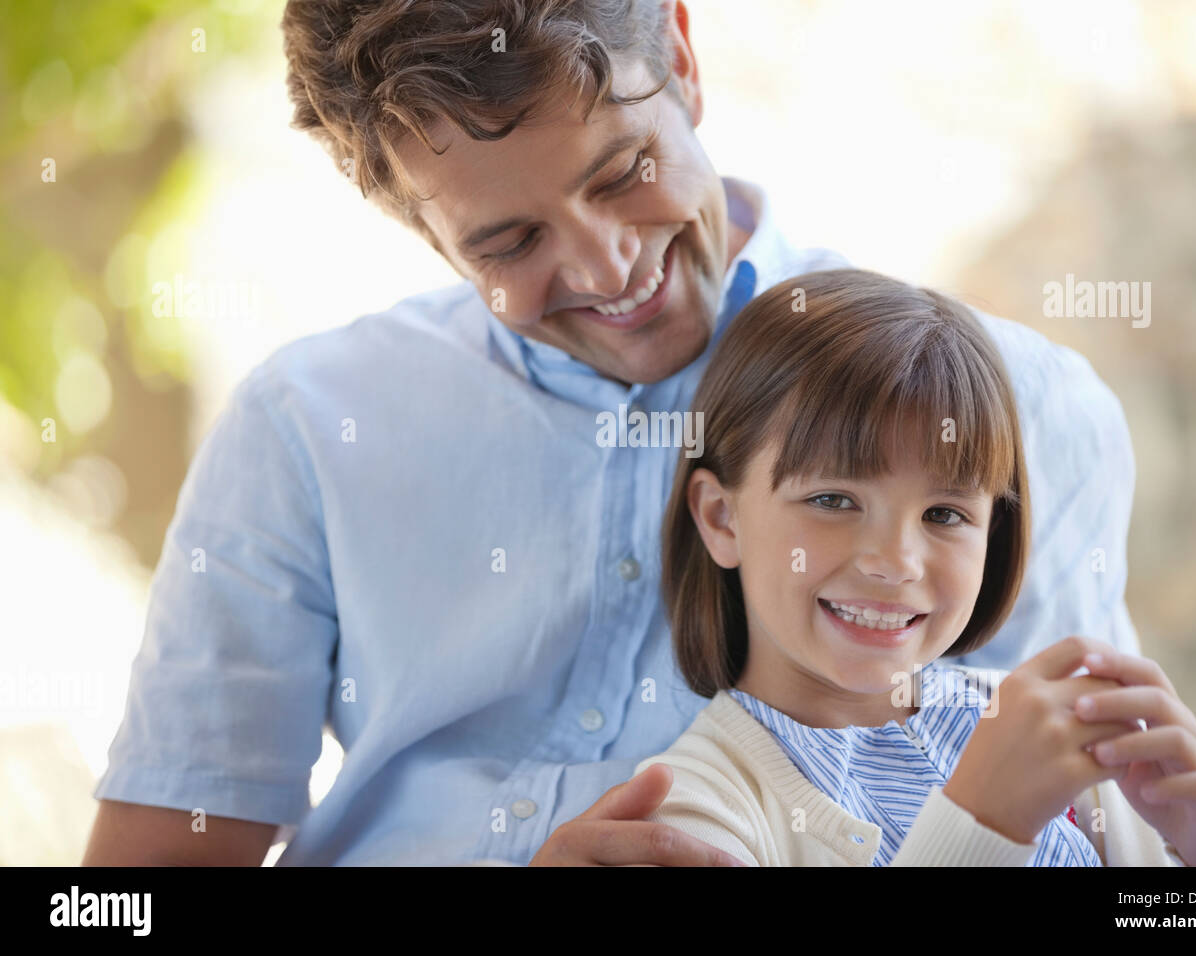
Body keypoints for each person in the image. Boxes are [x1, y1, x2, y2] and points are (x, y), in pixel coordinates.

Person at [83, 1, 1140, 866]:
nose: (604, 269)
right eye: (507, 238)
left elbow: (1089, 841)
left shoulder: (1012, 412)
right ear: (419, 225)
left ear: (678, 53)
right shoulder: (307, 426)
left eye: (622, 172)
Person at [632, 268, 1196, 866]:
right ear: (721, 519)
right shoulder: (693, 812)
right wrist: (983, 821)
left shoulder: (1051, 726)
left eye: (945, 514)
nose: (894, 561)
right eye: (832, 500)